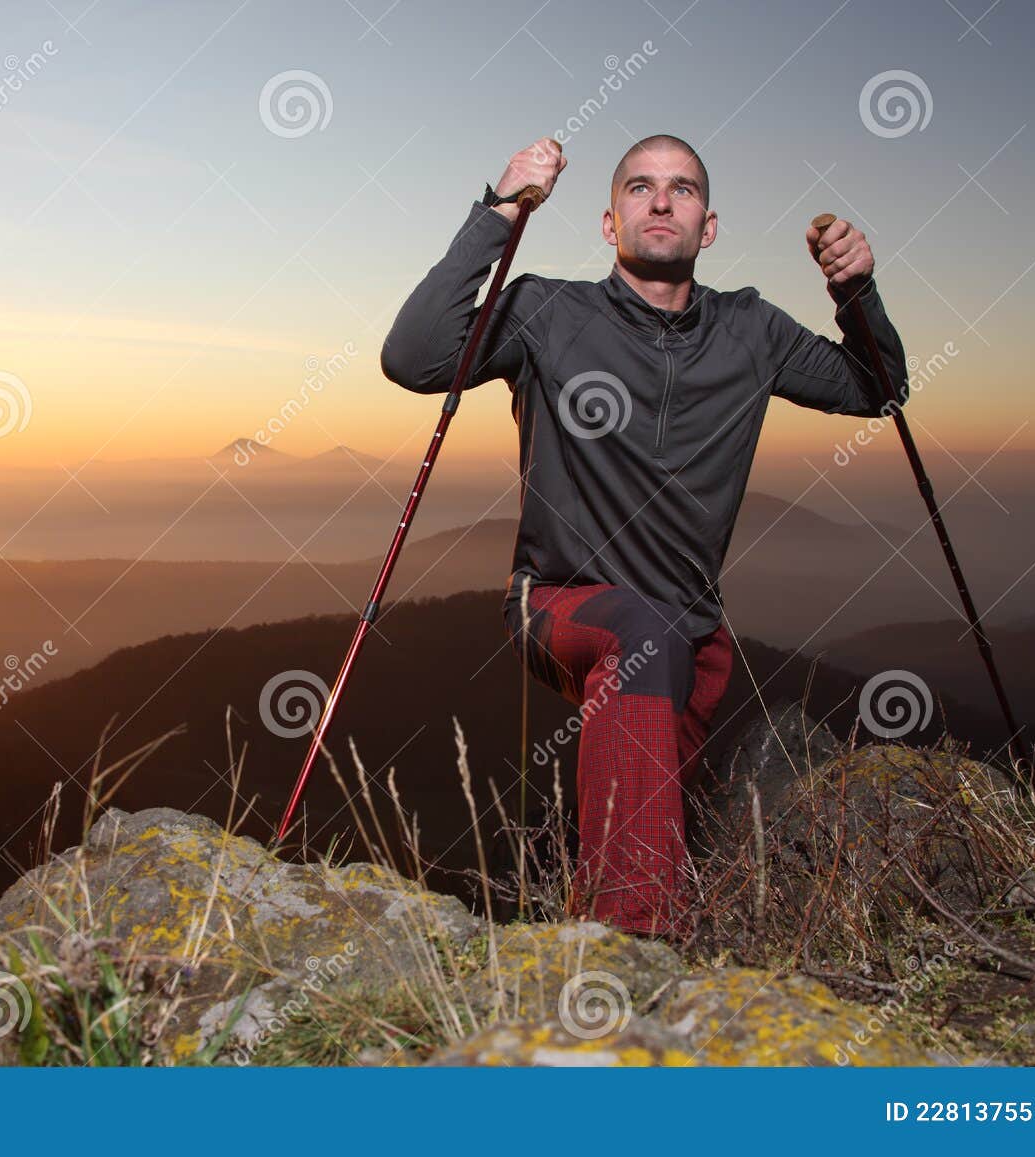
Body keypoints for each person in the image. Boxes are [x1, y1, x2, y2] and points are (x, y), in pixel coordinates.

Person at [380, 134, 910, 940]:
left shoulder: (752, 330)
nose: (661, 200)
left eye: (682, 189)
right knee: (641, 645)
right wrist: (502, 209)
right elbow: (415, 357)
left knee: (652, 813)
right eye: (640, 187)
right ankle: (629, 951)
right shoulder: (546, 312)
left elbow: (878, 390)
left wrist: (856, 291)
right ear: (609, 223)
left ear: (709, 226)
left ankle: (612, 928)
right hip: (559, 604)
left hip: (695, 635)